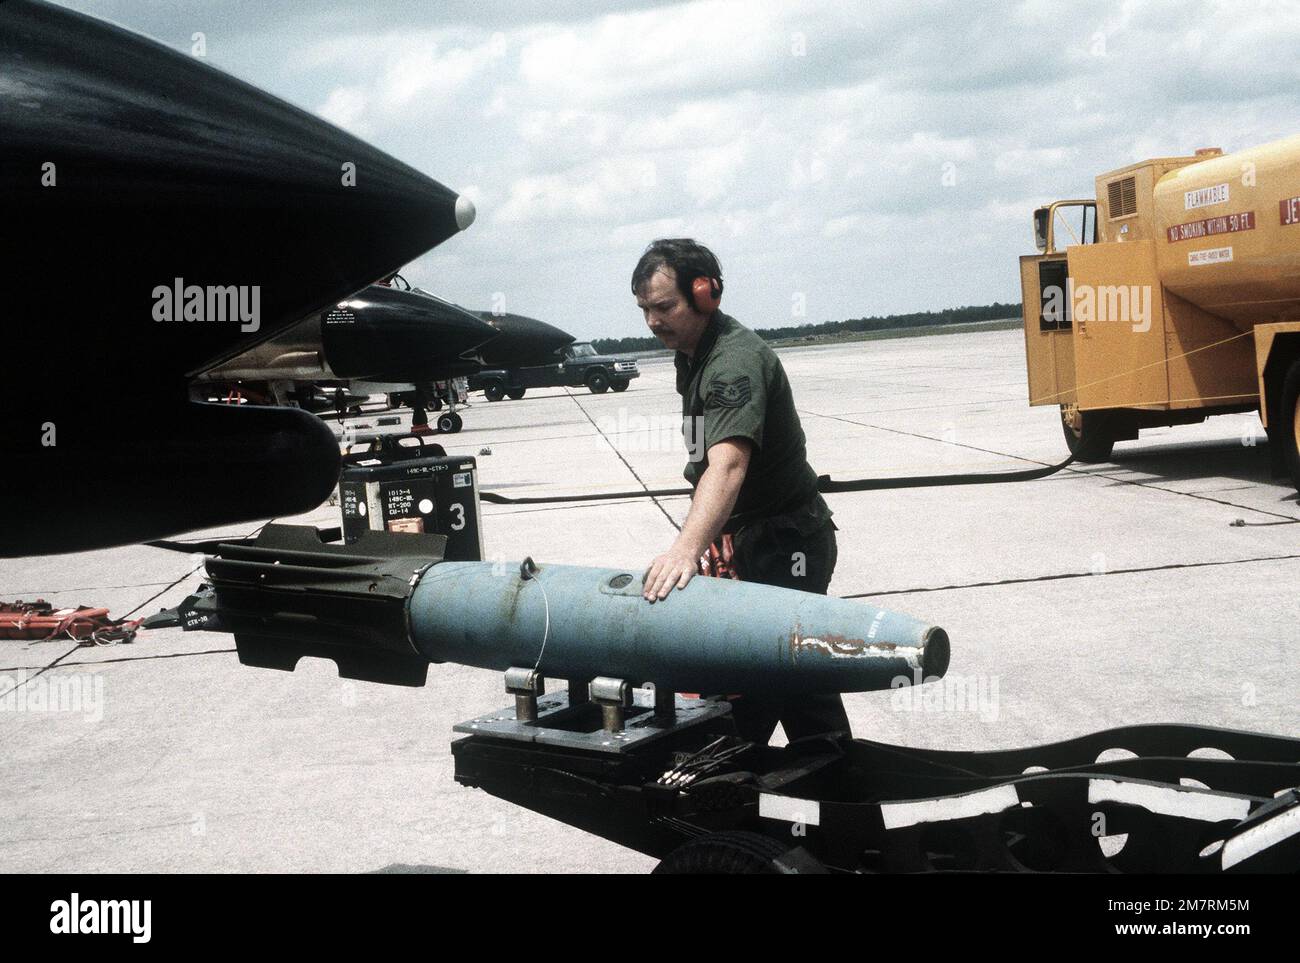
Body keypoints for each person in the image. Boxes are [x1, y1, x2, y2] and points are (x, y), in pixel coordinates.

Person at [633, 238, 851, 744]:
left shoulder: (732, 362)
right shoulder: (693, 353)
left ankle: (721, 788)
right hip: (754, 538)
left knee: (758, 684)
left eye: (664, 307)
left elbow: (727, 465)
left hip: (784, 544)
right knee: (799, 690)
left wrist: (684, 550)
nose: (652, 321)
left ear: (705, 295)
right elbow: (704, 462)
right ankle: (840, 807)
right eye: (644, 309)